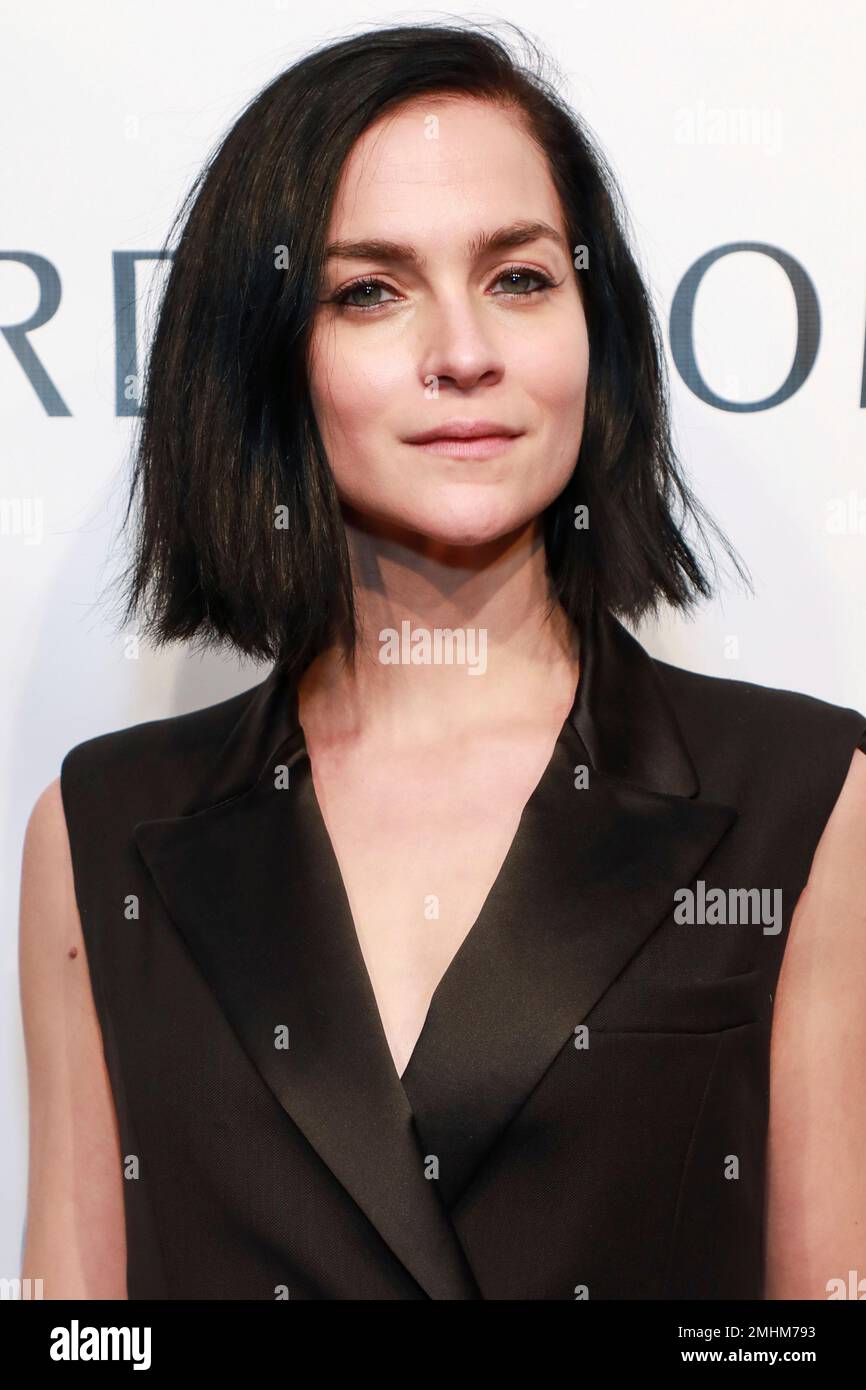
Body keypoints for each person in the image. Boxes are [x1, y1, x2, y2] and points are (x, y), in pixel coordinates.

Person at [19, 21, 866, 1300]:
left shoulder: (803, 797)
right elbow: (77, 1327)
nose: (463, 350)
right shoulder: (102, 828)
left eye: (520, 278)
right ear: (267, 361)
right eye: (371, 289)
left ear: (597, 328)